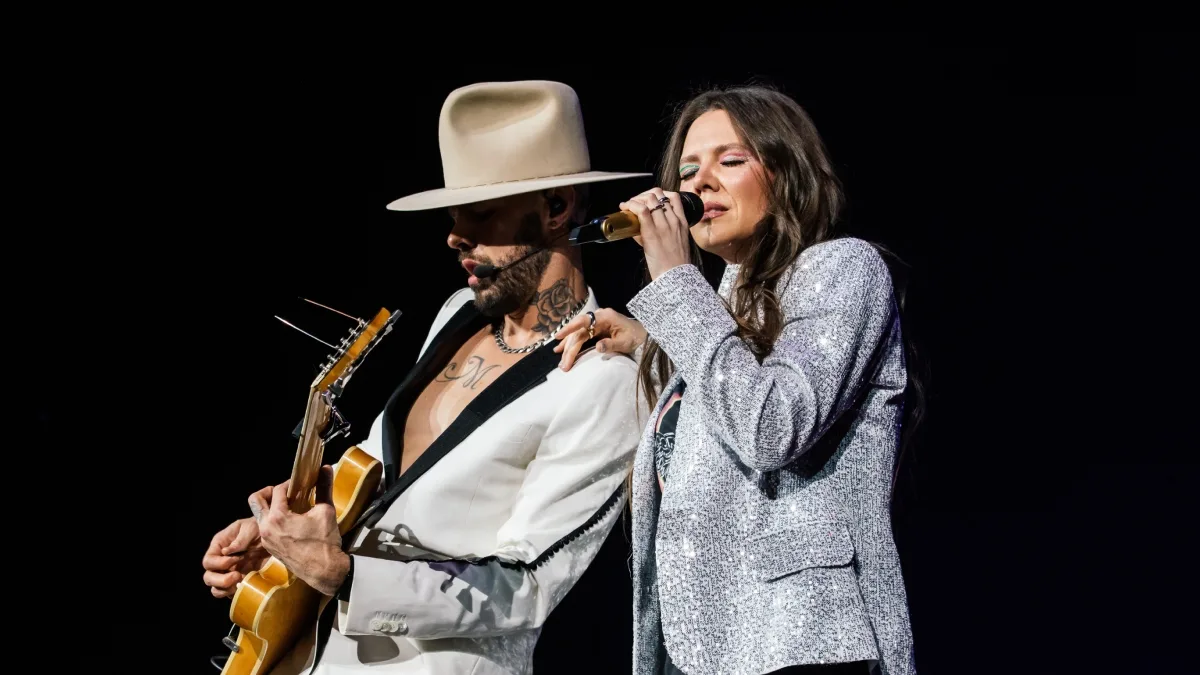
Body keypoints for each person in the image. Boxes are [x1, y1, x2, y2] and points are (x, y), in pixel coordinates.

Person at [201, 80, 651, 674]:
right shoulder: (459, 313)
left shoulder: (604, 382)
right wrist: (286, 527)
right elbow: (381, 473)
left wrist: (342, 574)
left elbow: (527, 587)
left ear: (556, 208)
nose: (455, 235)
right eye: (454, 214)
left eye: (481, 213)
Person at [554, 84, 920, 674]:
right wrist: (650, 343)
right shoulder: (715, 312)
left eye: (730, 160)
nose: (699, 183)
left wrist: (673, 284)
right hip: (700, 647)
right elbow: (726, 396)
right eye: (687, 170)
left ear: (786, 173)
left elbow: (771, 425)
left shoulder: (844, 268)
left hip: (802, 640)